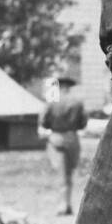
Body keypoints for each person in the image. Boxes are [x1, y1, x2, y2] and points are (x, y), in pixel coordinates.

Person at [39, 68, 88, 215]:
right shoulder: (78, 103)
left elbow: (43, 121)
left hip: (56, 139)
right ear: (69, 87)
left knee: (61, 174)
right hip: (73, 139)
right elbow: (83, 123)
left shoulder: (51, 102)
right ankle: (67, 204)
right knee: (69, 174)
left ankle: (63, 205)